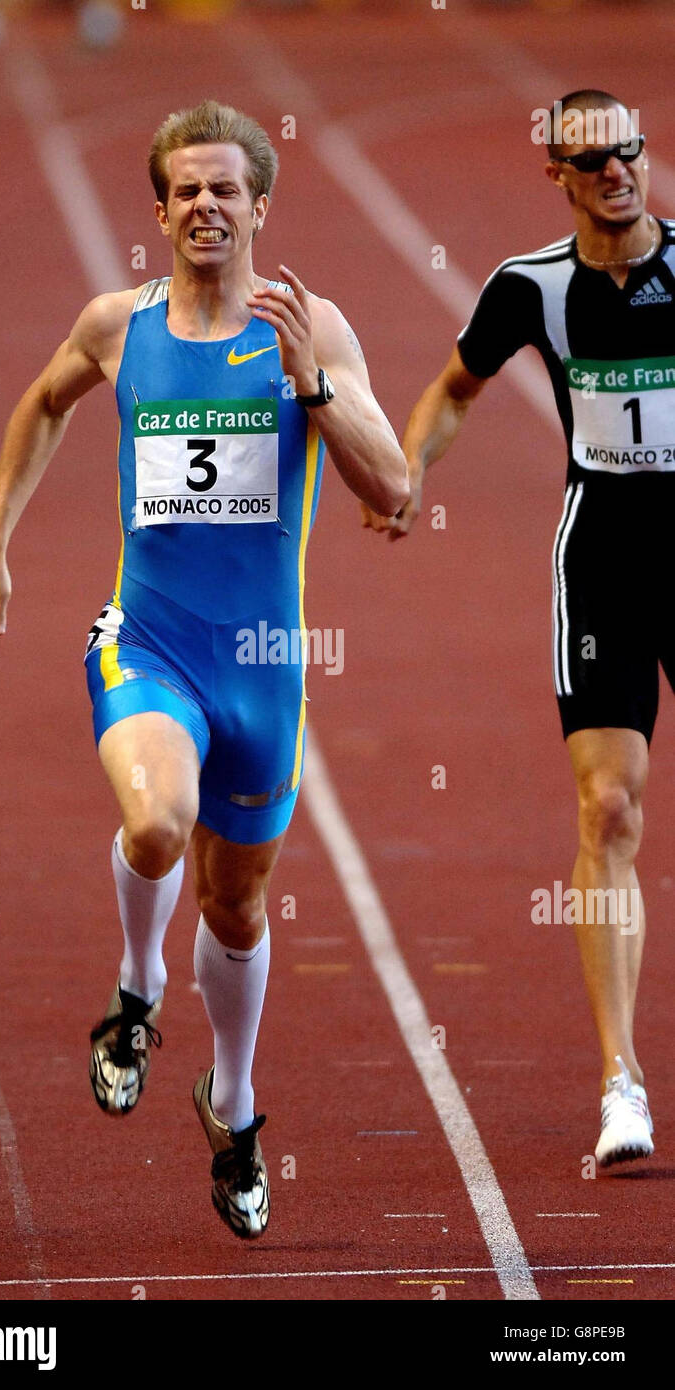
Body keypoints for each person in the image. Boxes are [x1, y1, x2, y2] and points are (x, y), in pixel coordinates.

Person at [0, 100, 408, 1238]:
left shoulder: (311, 327)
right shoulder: (118, 324)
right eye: (185, 189)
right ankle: (136, 986)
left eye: (225, 189)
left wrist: (312, 382)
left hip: (262, 670)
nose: (206, 205)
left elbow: (393, 490)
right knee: (158, 822)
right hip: (147, 641)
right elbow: (42, 401)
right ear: (158, 210)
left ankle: (234, 1102)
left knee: (238, 900)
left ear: (260, 205)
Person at [364, 90, 671, 1169]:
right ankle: (620, 1080)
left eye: (627, 152)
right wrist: (406, 475)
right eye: (591, 162)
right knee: (608, 804)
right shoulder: (528, 287)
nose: (616, 173)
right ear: (557, 174)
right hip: (603, 560)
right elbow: (454, 387)